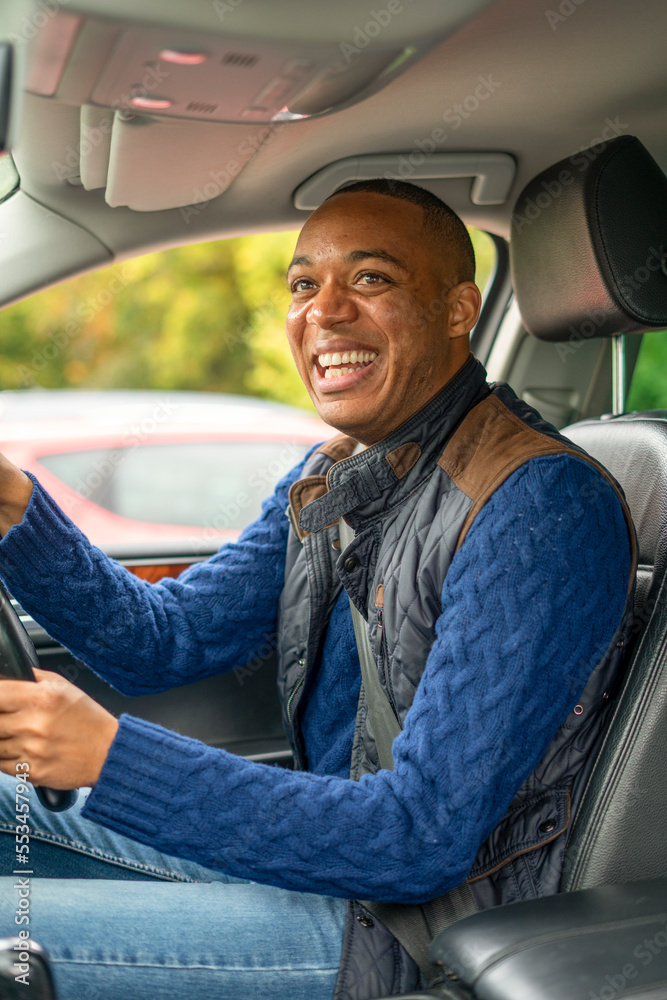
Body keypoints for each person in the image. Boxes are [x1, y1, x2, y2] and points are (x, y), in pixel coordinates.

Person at [0, 179, 634, 1000]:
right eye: (304, 284)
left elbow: (416, 838)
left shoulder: (538, 505)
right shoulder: (336, 474)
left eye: (369, 279)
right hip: (320, 858)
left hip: (412, 926)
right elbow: (166, 640)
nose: (323, 311)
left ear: (456, 309)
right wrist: (20, 512)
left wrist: (112, 758)